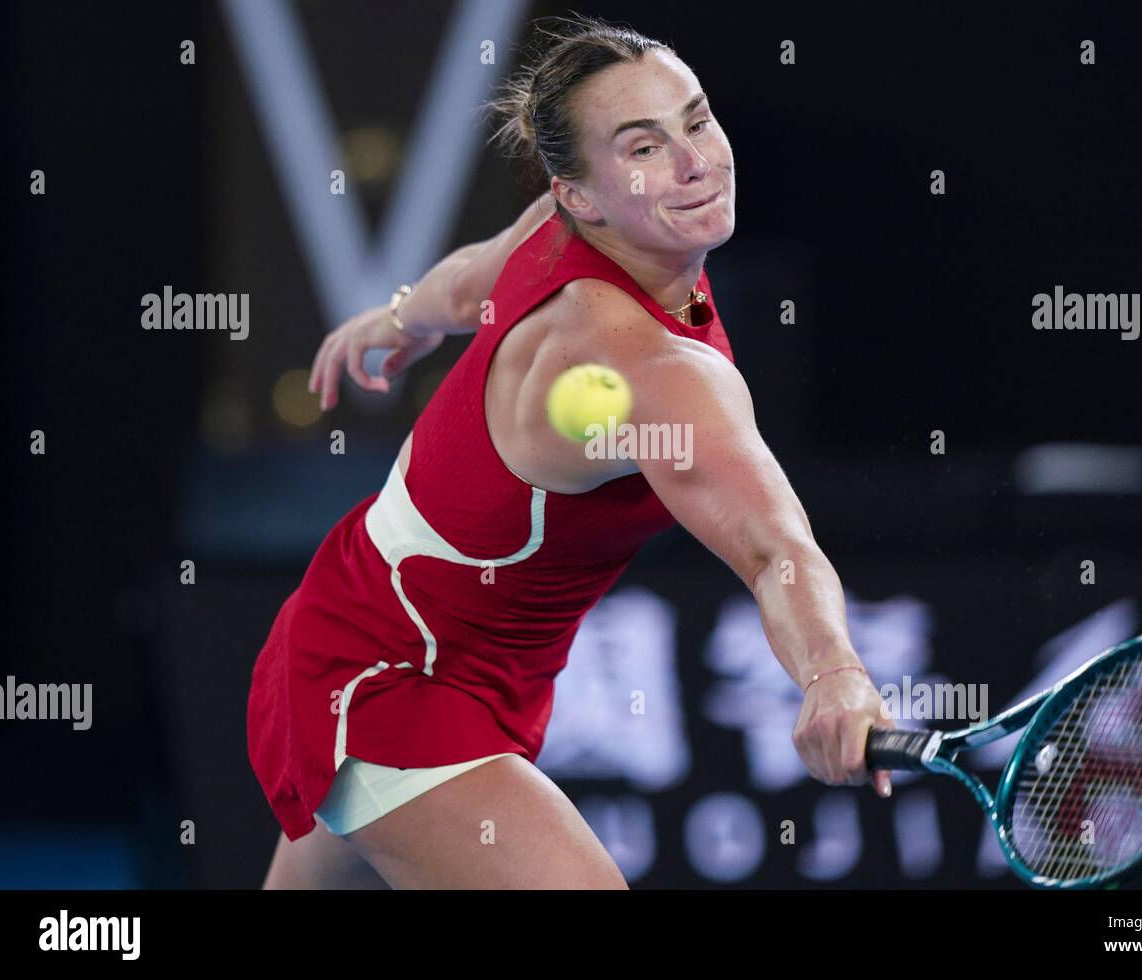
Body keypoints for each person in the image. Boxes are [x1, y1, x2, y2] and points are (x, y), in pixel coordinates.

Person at [248, 14, 893, 890]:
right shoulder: (649, 368)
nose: (696, 160)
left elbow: (468, 276)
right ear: (578, 193)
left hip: (377, 624)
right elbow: (775, 548)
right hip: (388, 680)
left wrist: (394, 321)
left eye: (696, 120)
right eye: (643, 147)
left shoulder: (554, 231)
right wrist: (833, 675)